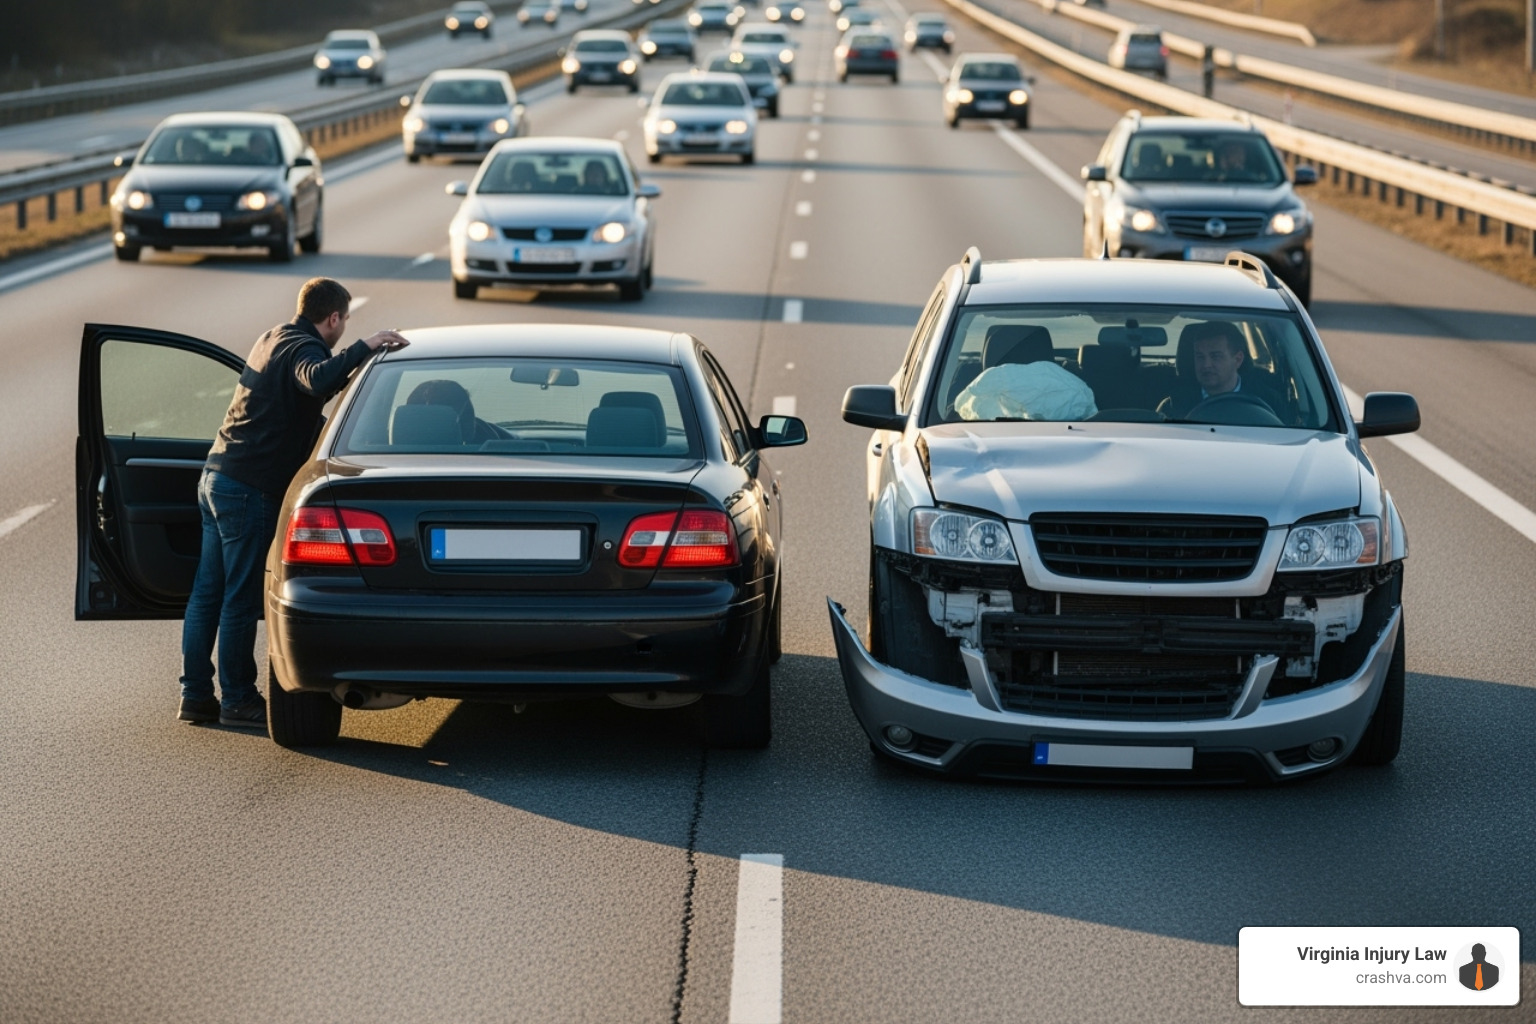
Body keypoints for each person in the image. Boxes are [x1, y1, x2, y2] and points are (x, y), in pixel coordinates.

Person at [178, 278, 408, 728]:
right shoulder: (305, 348)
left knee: (207, 596)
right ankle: (238, 700)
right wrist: (367, 346)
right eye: (345, 325)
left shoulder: (272, 338)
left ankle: (196, 696)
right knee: (240, 603)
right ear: (334, 318)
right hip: (248, 489)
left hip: (216, 476)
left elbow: (293, 402)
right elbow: (316, 378)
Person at [1158, 320, 1280, 419]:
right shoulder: (1173, 405)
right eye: (1200, 357)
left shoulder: (1269, 402)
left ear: (1237, 359)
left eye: (1215, 356)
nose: (1206, 365)